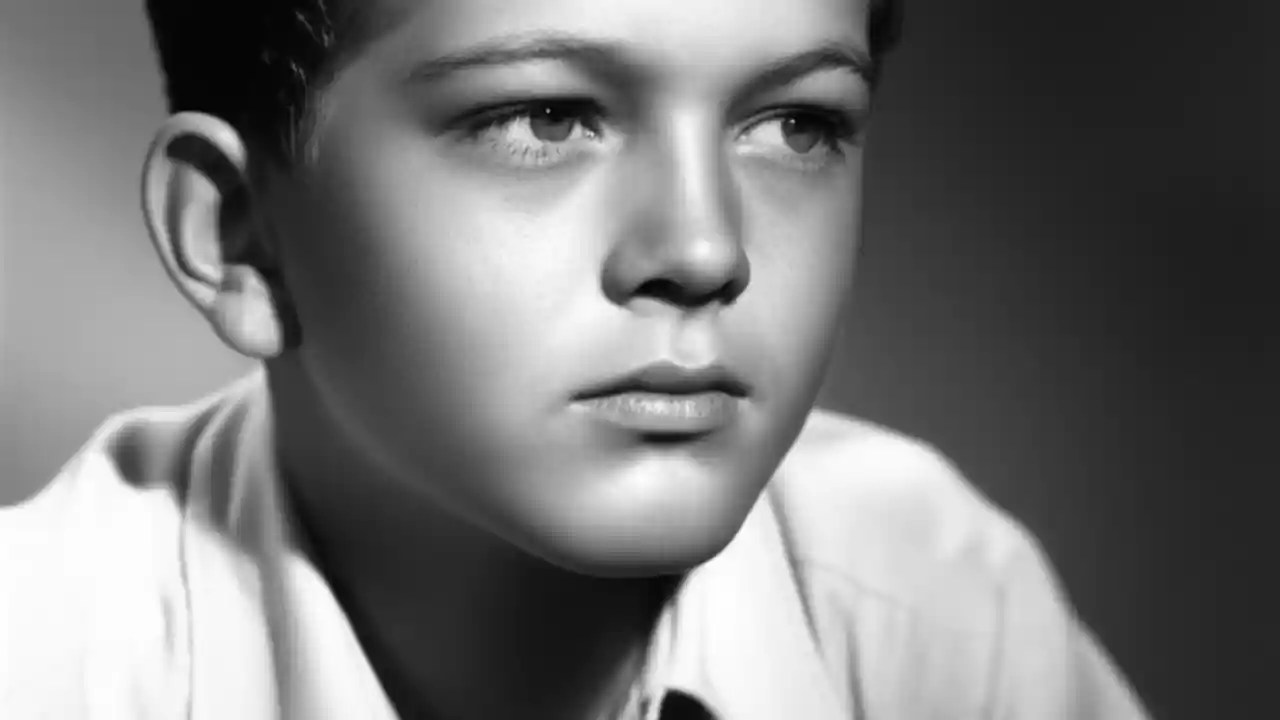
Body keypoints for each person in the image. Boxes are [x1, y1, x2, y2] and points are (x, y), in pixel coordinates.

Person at [0, 0, 1151, 718]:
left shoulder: (937, 611)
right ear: (238, 232)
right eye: (543, 119)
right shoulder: (41, 661)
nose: (704, 249)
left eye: (798, 122)